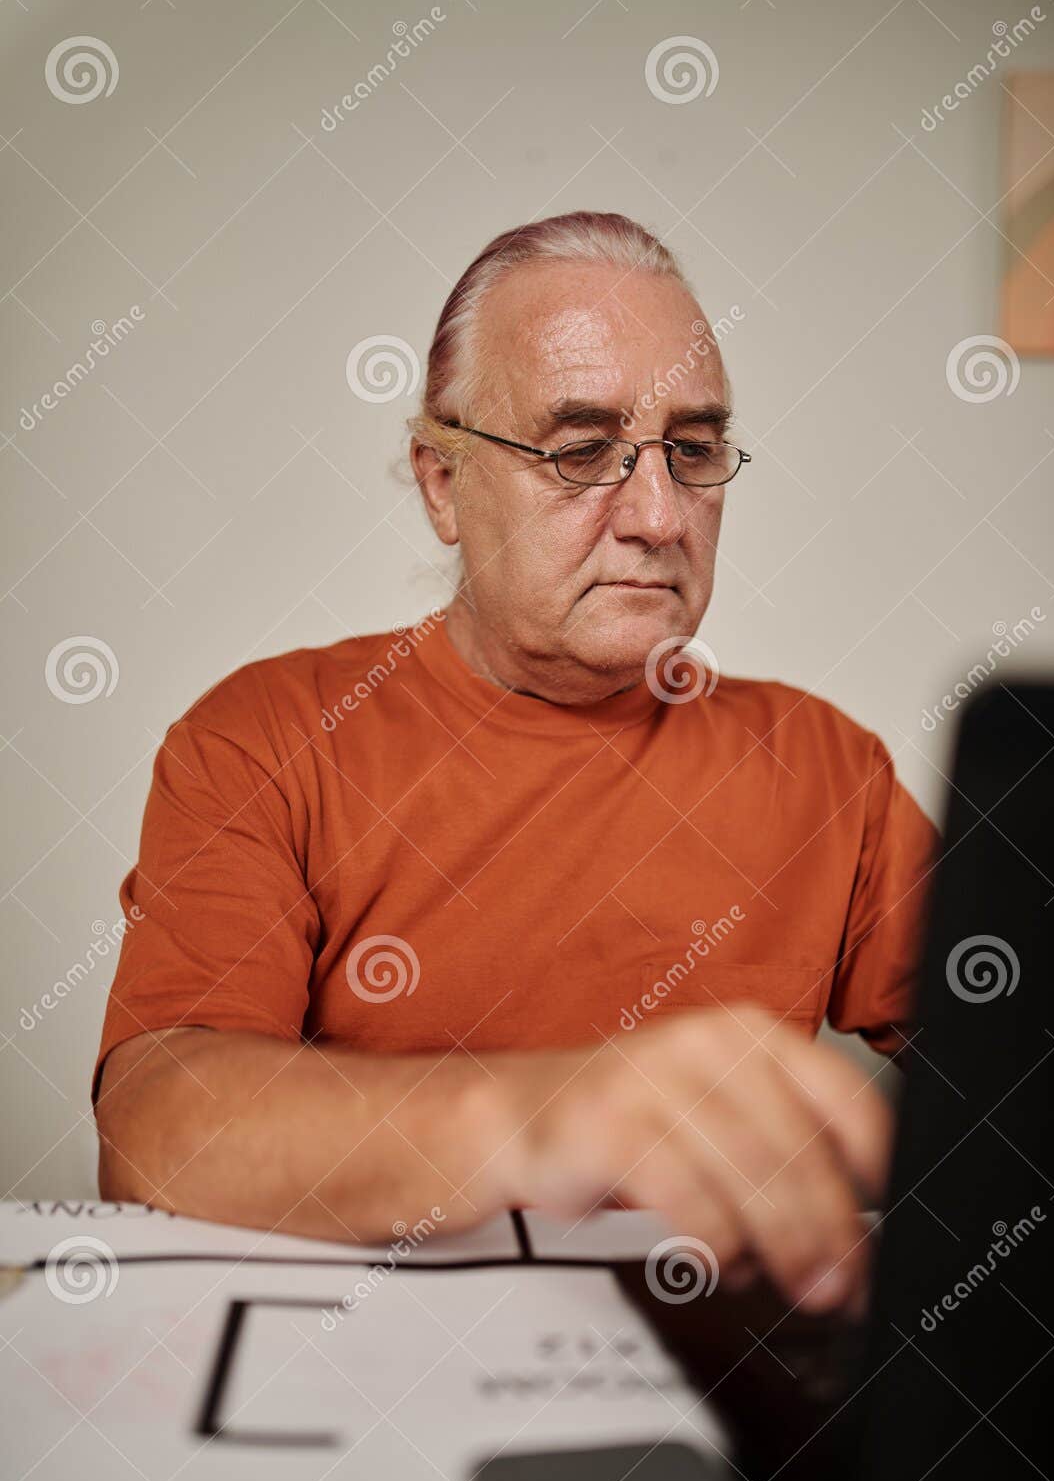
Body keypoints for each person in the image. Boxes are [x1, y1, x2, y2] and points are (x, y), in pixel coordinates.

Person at [93, 211, 938, 1312]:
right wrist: (550, 1121)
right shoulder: (264, 736)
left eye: (693, 450)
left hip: (719, 1378)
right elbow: (161, 1144)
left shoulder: (827, 767)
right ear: (442, 484)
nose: (656, 514)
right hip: (361, 1380)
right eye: (581, 450)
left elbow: (1021, 1057)